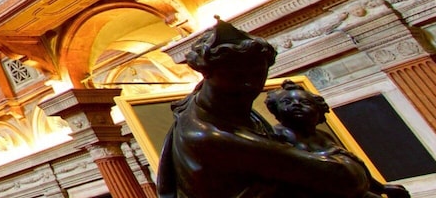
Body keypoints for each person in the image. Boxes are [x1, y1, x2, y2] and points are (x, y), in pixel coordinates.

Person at [156, 20, 394, 198]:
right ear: (207, 73)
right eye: (236, 76)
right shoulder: (211, 135)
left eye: (258, 74)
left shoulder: (215, 105)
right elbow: (347, 179)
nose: (250, 84)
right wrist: (340, 160)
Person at [264, 81, 409, 198]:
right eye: (287, 102)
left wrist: (381, 187)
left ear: (319, 111)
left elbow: (355, 163)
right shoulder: (276, 135)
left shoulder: (323, 135)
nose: (295, 104)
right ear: (276, 110)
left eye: (305, 103)